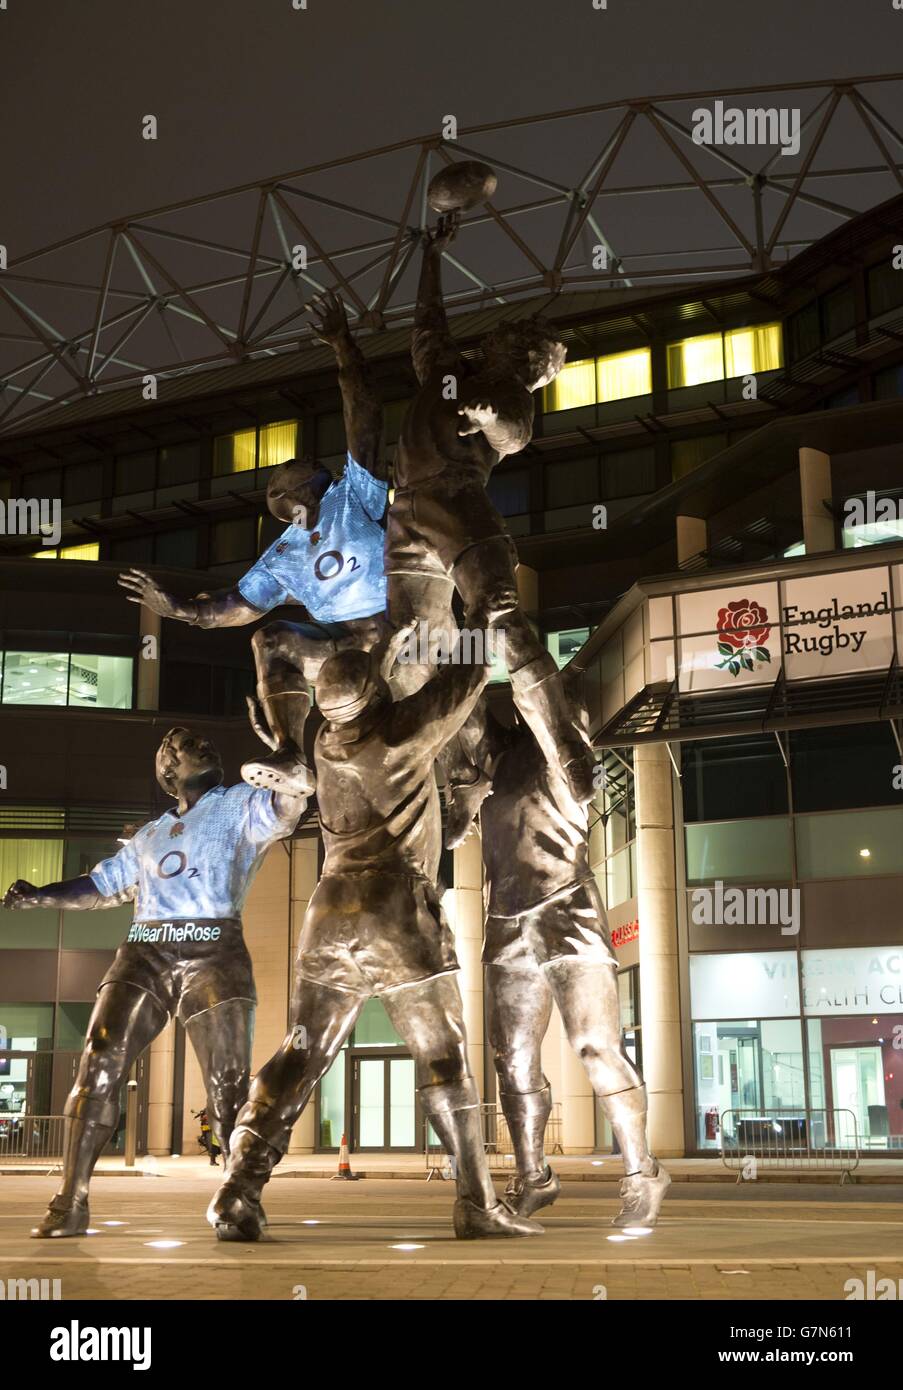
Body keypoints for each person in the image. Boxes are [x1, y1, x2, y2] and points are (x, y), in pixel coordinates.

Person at [208, 631, 540, 1242]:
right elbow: (465, 680)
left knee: (301, 1052)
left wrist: (382, 657)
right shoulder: (403, 732)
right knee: (443, 1058)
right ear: (378, 695)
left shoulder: (324, 741)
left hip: (328, 914)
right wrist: (487, 619)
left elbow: (354, 692)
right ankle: (476, 1203)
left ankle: (238, 1189)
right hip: (396, 912)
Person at [2, 727, 306, 1238]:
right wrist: (41, 894)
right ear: (167, 770)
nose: (202, 745)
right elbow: (101, 887)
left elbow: (286, 804)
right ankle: (69, 1201)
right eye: (183, 744)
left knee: (228, 1087)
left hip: (215, 949)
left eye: (204, 741)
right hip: (145, 950)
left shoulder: (238, 803)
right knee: (98, 1062)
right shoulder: (147, 836)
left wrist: (289, 761)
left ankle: (238, 1199)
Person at [118, 291, 390, 797]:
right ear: (287, 492)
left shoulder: (352, 495)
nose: (312, 457)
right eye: (301, 462)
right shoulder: (282, 554)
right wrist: (174, 607)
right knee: (270, 639)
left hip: (395, 624)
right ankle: (290, 754)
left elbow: (365, 420)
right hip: (344, 642)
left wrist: (343, 347)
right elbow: (235, 606)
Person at [384, 212, 595, 844]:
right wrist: (428, 251)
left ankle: (565, 748)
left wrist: (493, 414)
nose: (521, 358)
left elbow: (514, 433)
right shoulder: (448, 368)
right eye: (523, 349)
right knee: (408, 650)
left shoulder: (508, 393)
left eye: (531, 362)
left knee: (500, 620)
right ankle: (457, 774)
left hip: (457, 506)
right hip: (405, 514)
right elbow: (428, 321)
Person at [453, 687, 671, 1227]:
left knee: (595, 1045)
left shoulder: (570, 753)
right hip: (505, 918)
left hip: (567, 909)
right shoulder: (501, 759)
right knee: (512, 1058)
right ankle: (535, 1177)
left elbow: (545, 704)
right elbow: (467, 709)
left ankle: (643, 1172)